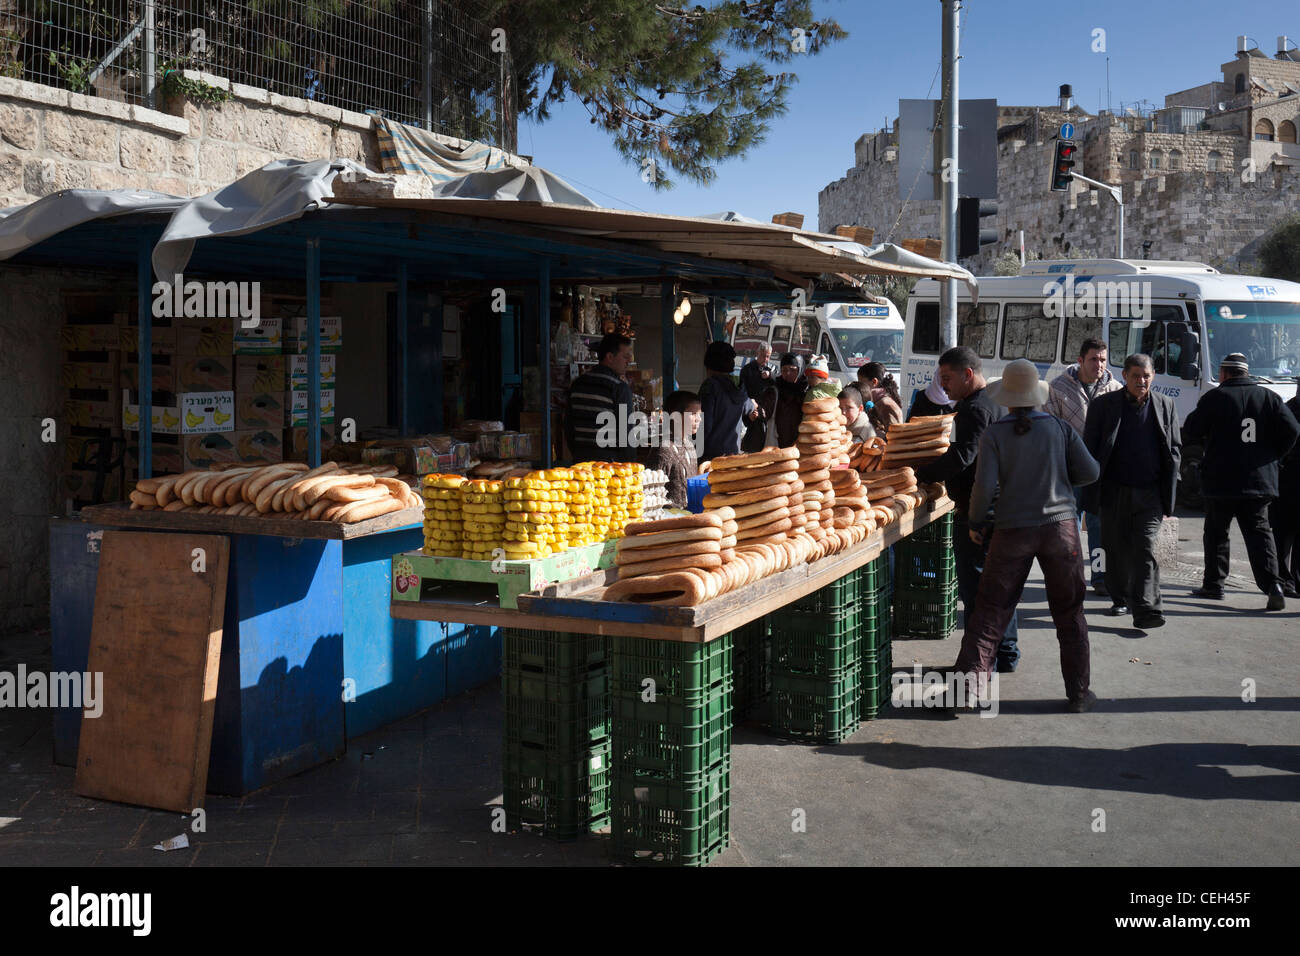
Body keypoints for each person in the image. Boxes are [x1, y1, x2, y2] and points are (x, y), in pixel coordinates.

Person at [955, 359, 1100, 713]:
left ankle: (968, 690)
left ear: (1006, 398)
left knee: (990, 612)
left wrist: (976, 523)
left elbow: (983, 488)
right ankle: (1079, 694)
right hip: (1061, 530)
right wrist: (1059, 480)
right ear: (1037, 396)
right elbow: (1091, 472)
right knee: (1069, 614)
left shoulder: (996, 434)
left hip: (1010, 530)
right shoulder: (1060, 429)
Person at [915, 346, 1020, 672]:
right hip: (997, 510)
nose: (943, 385)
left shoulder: (975, 409)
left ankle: (981, 661)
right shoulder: (992, 401)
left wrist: (919, 474)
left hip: (980, 514)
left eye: (947, 378)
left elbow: (962, 457)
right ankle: (1004, 654)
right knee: (998, 588)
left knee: (978, 591)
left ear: (968, 374)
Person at [1182, 352, 1300, 610]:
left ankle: (1214, 585)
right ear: (1246, 373)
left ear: (1224, 374)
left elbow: (1191, 429)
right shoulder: (1269, 397)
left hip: (1220, 481)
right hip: (1257, 481)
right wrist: (1274, 457)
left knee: (1216, 533)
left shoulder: (1215, 397)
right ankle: (1274, 585)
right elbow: (1292, 430)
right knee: (1260, 534)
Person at [1082, 354, 1182, 629]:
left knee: (1146, 549)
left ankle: (1147, 608)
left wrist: (1170, 493)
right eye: (1136, 376)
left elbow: (1174, 449)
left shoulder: (1165, 405)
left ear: (1153, 376)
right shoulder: (1104, 406)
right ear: (1124, 376)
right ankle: (1120, 598)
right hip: (1114, 492)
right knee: (1116, 550)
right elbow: (1090, 448)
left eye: (1146, 376)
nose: (1142, 381)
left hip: (1150, 494)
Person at [1044, 337, 1123, 597]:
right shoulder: (1057, 389)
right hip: (1070, 472)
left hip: (1103, 472)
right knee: (1069, 529)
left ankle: (1100, 577)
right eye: (1093, 359)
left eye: (1102, 359)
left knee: (1100, 529)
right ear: (1080, 361)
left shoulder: (1115, 389)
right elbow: (1051, 430)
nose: (1099, 364)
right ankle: (1071, 576)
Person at [564, 332, 637, 463]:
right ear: (609, 356)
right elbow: (626, 434)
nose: (629, 361)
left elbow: (569, 428)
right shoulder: (619, 388)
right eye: (625, 357)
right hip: (610, 467)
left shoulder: (577, 384)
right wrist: (630, 466)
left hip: (581, 462)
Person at [698, 340, 759, 462]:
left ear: (708, 363)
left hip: (711, 457)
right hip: (733, 453)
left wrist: (694, 450)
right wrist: (753, 404)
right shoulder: (738, 385)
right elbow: (751, 407)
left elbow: (704, 425)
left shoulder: (710, 386)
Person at [1270, 384, 1300, 597]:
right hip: (1287, 479)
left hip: (1286, 478)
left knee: (1284, 534)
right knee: (1283, 534)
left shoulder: (1285, 409)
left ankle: (1287, 580)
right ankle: (1285, 580)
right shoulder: (1286, 410)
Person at [655, 390, 702, 510]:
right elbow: (653, 492)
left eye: (699, 414)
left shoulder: (690, 445)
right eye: (693, 414)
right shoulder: (664, 449)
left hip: (690, 515)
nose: (698, 419)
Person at [739, 344, 774, 452]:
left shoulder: (771, 369)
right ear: (757, 354)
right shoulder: (747, 370)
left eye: (768, 356)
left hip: (767, 411)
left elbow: (777, 386)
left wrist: (771, 375)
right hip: (752, 409)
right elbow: (742, 392)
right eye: (763, 356)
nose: (765, 359)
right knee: (752, 444)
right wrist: (750, 409)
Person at [768, 352, 808, 447]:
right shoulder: (775, 387)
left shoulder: (806, 388)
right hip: (778, 438)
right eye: (784, 370)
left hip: (802, 438)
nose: (788, 373)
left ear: (800, 370)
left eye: (792, 370)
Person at [857, 361, 903, 432]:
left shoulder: (885, 404)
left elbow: (894, 434)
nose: (860, 387)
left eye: (861, 382)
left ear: (874, 382)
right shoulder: (875, 400)